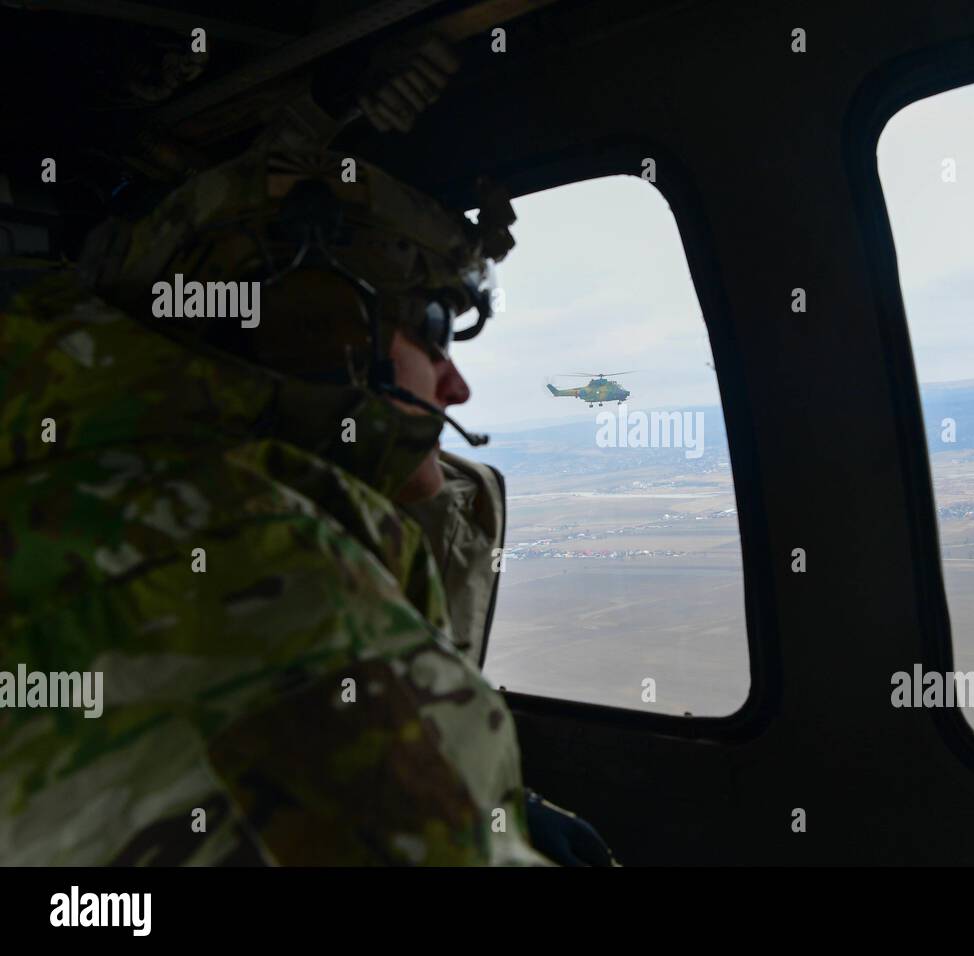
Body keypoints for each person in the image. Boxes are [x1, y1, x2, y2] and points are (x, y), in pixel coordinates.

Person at [0, 144, 611, 865]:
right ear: (319, 322)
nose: (457, 387)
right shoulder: (260, 569)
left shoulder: (78, 479)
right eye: (438, 331)